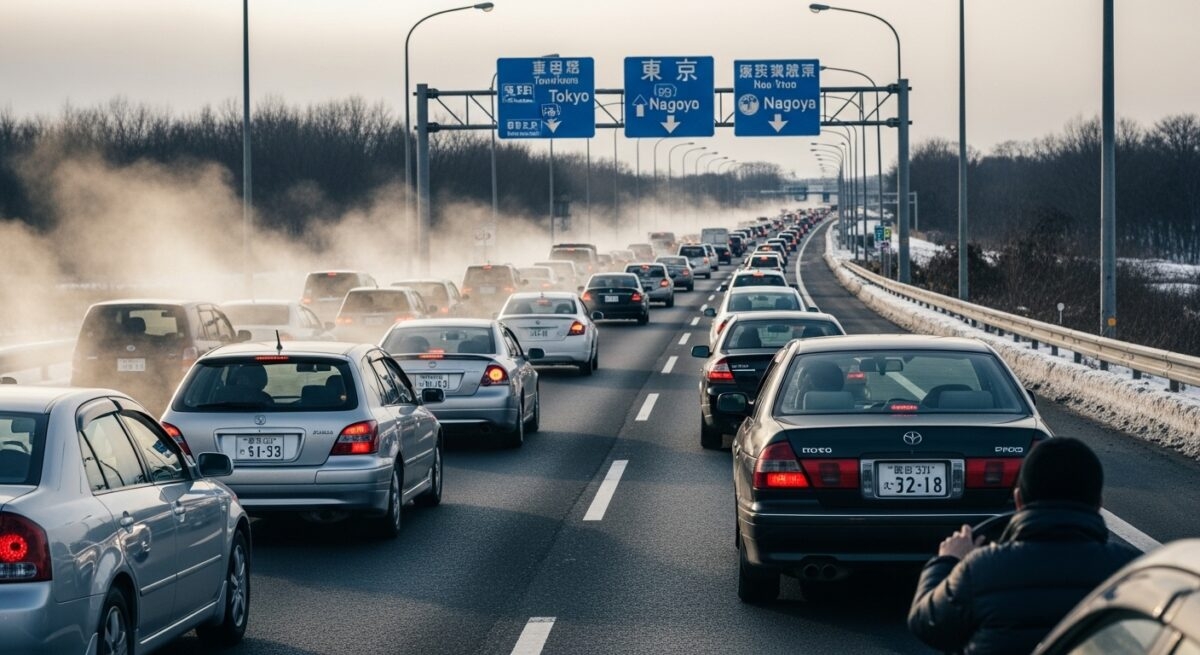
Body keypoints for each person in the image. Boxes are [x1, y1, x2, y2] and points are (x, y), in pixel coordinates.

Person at [908, 437, 1138, 655]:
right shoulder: (1132, 572)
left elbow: (926, 624)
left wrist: (947, 561)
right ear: (1098, 504)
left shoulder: (980, 569)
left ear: (1019, 501)